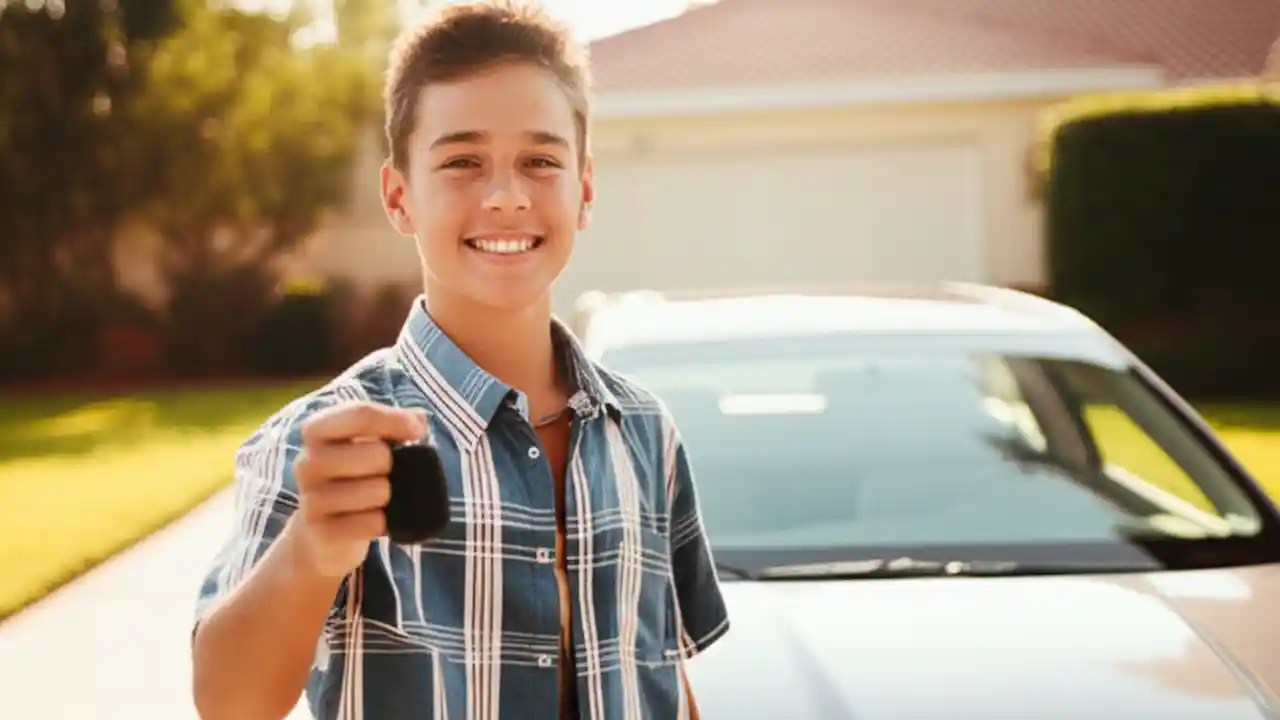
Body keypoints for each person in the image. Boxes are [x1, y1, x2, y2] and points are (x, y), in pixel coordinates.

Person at [189, 2, 729, 718]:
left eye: (540, 161)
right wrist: (312, 549)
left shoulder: (646, 434)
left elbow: (664, 674)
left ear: (585, 189)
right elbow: (228, 702)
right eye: (462, 162)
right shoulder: (323, 446)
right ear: (399, 196)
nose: (506, 196)